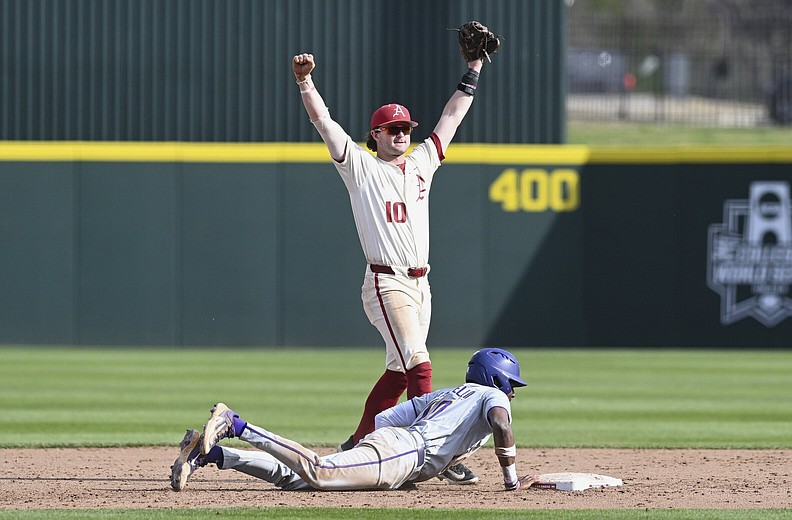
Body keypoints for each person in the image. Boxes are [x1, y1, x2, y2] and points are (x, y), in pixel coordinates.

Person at [289, 37, 487, 484]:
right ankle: (436, 452)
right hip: (386, 283)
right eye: (392, 128)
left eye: (405, 128)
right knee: (420, 363)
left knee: (399, 371)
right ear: (375, 134)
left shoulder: (422, 162)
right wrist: (305, 83)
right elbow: (324, 123)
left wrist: (473, 67)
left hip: (421, 284)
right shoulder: (360, 167)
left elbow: (452, 115)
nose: (401, 133)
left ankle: (357, 445)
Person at [170, 348, 538, 493]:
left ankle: (212, 456)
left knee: (299, 481)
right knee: (319, 470)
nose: (513, 392)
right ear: (496, 378)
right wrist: (512, 480)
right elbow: (502, 424)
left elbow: (386, 417)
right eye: (512, 384)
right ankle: (236, 425)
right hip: (406, 452)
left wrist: (387, 452)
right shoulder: (489, 395)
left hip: (400, 451)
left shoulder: (446, 394)